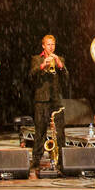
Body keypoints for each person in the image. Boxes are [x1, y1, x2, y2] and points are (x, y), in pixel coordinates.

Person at [29, 34, 69, 171]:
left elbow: (66, 78)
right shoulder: (36, 59)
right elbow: (31, 76)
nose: (51, 47)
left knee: (59, 132)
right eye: (48, 44)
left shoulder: (60, 59)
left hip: (56, 100)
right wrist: (43, 65)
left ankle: (62, 160)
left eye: (53, 44)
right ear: (43, 45)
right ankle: (36, 159)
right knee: (40, 131)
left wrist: (59, 65)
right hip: (41, 99)